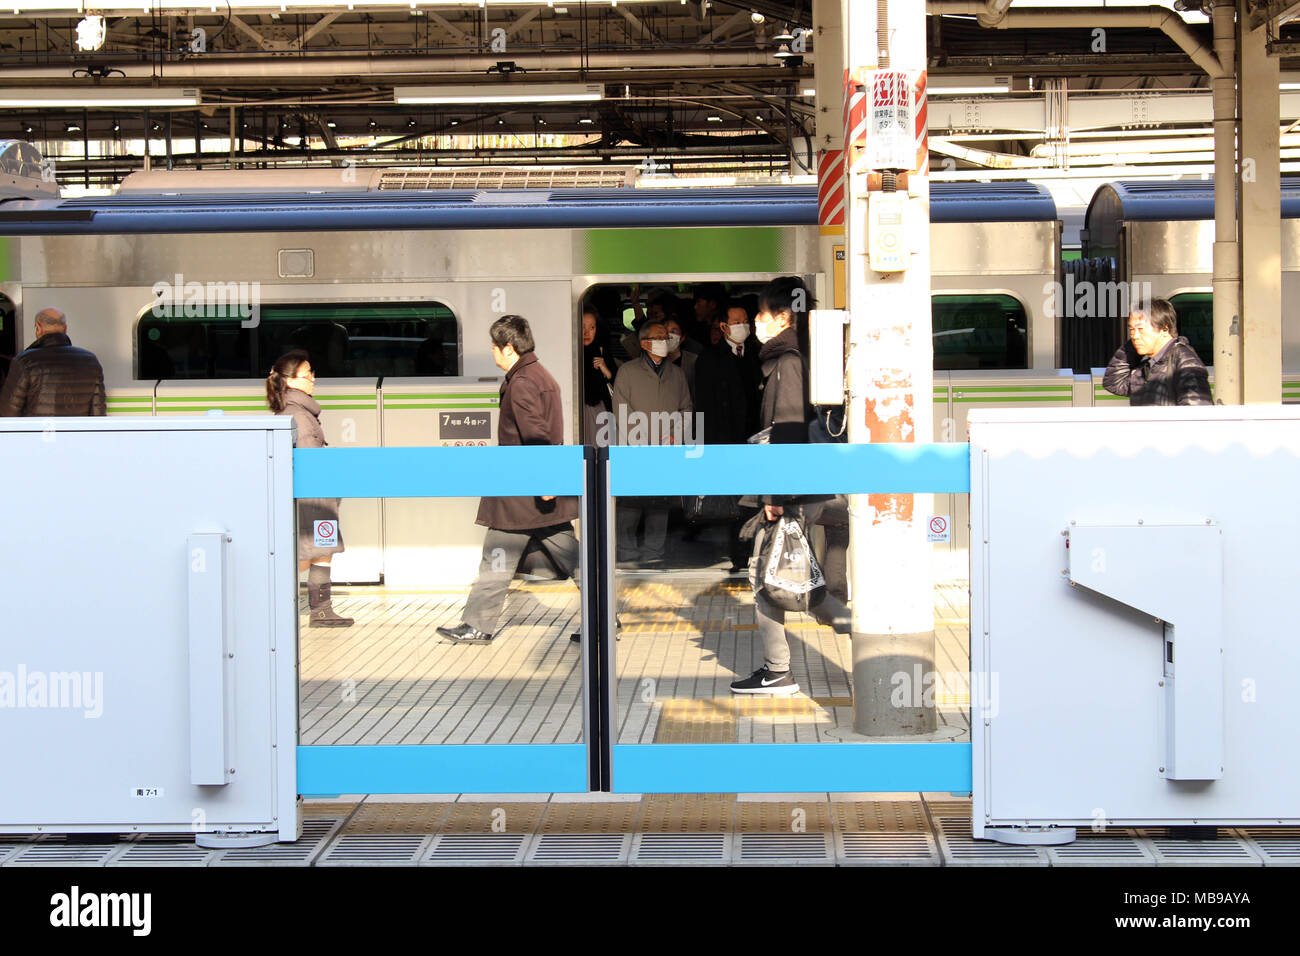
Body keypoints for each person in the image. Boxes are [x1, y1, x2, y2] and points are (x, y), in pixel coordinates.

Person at [731, 278, 850, 696]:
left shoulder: (788, 360)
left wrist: (775, 497)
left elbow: (785, 430)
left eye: (760, 315)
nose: (756, 323)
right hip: (815, 485)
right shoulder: (806, 353)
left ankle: (777, 670)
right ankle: (852, 625)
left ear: (782, 317)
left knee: (767, 576)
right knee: (796, 569)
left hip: (793, 489)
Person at [437, 315, 581, 644]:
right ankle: (606, 617)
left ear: (509, 348)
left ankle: (477, 625)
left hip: (523, 492)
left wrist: (546, 481)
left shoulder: (523, 383)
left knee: (497, 555)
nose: (492, 352)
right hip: (534, 494)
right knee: (573, 558)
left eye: (494, 346)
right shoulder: (538, 375)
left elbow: (537, 435)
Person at [267, 350, 354, 627]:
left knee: (320, 549)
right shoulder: (299, 416)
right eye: (307, 375)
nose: (313, 379)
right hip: (313, 499)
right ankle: (274, 602)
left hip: (317, 496)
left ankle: (321, 609)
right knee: (306, 554)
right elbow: (308, 461)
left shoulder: (299, 410)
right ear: (291, 381)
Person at [610, 320, 692, 568]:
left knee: (660, 502)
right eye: (659, 337)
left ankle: (654, 550)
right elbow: (621, 410)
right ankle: (626, 550)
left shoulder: (677, 374)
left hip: (667, 450)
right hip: (635, 450)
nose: (665, 341)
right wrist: (642, 442)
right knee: (630, 502)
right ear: (645, 343)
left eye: (666, 337)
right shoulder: (627, 371)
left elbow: (686, 408)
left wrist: (676, 436)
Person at [1103, 298, 1212, 406]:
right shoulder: (1149, 366)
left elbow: (1197, 415)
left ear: (1164, 330)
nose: (1134, 336)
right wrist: (1137, 344)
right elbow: (1114, 382)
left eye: (1140, 329)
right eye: (1131, 330)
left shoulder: (1185, 361)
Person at [0, 308, 105, 417]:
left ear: (38, 327)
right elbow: (98, 413)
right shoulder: (90, 362)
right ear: (65, 329)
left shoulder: (24, 361)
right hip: (76, 434)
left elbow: (8, 412)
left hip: (39, 433)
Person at [581, 306, 615, 446]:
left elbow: (615, 380)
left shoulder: (601, 351)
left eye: (592, 328)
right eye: (582, 327)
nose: (586, 332)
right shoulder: (570, 351)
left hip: (599, 409)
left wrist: (604, 368)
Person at [663, 315, 698, 407]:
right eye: (665, 331)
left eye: (673, 331)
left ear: (682, 337)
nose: (668, 335)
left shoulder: (693, 361)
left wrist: (698, 420)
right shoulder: (653, 362)